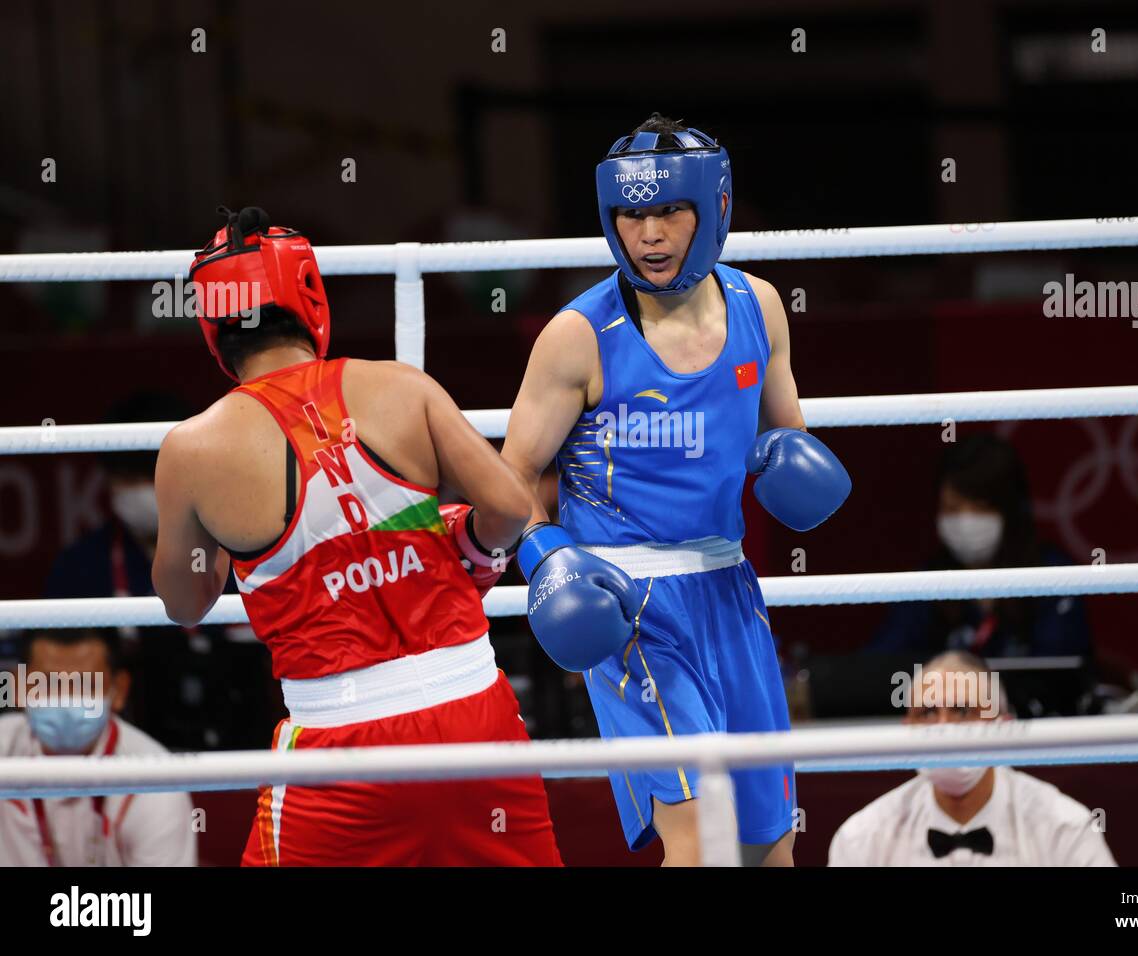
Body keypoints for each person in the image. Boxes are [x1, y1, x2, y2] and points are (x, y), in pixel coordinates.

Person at [150, 206, 561, 866]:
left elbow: (185, 603)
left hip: (339, 744)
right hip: (476, 714)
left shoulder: (192, 449)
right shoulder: (400, 386)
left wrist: (221, 527)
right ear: (308, 292)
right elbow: (511, 507)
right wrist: (473, 549)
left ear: (213, 324)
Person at [500, 114, 851, 866]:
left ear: (714, 209)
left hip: (730, 591)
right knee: (695, 849)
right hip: (630, 609)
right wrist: (546, 559)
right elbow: (514, 476)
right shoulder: (578, 336)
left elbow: (785, 439)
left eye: (667, 212)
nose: (648, 235)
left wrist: (792, 464)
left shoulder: (759, 307)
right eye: (631, 214)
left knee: (769, 845)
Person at [44, 391, 277, 751]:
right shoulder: (81, 567)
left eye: (150, 472)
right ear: (107, 481)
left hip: (257, 755)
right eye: (127, 476)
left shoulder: (253, 543)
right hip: (134, 767)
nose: (141, 489)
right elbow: (54, 677)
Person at [827, 651, 1116, 867]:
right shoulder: (863, 839)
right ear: (907, 730)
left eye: (963, 711)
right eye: (927, 714)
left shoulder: (1063, 827)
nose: (943, 729)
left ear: (1001, 725)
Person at [873, 432, 1092, 660]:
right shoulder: (925, 586)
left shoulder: (1054, 579)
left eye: (980, 508)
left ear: (1010, 510)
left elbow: (1064, 678)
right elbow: (879, 667)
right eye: (952, 508)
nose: (966, 520)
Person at [0, 629, 197, 866]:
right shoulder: (4, 746)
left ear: (119, 690)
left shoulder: (158, 782)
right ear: (20, 688)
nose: (66, 700)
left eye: (85, 686)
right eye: (50, 684)